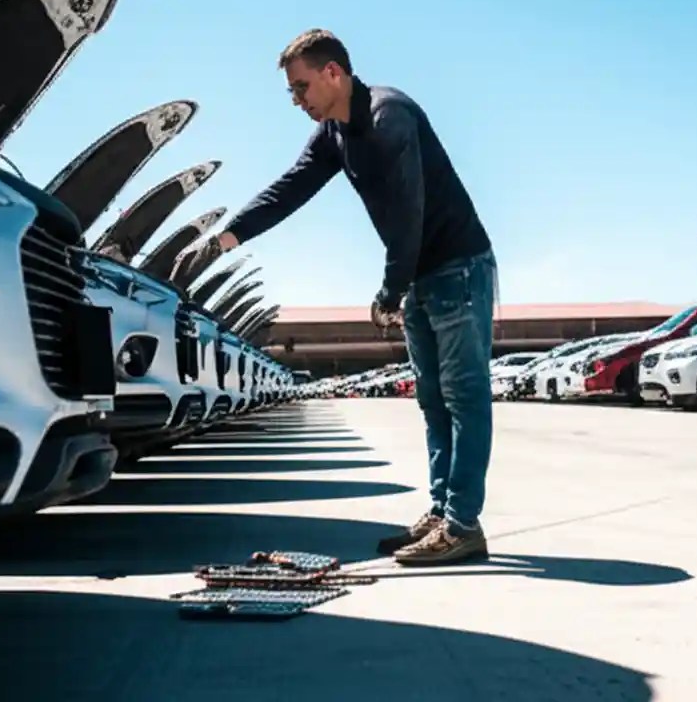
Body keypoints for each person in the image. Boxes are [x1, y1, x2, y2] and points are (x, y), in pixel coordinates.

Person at [192, 28, 497, 565]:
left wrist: (389, 289)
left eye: (301, 87)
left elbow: (409, 212)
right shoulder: (333, 132)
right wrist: (226, 237)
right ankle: (443, 511)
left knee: (464, 399)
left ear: (334, 73)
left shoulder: (388, 117)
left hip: (458, 268)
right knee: (432, 402)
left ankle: (462, 525)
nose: (297, 100)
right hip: (424, 275)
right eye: (292, 92)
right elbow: (290, 188)